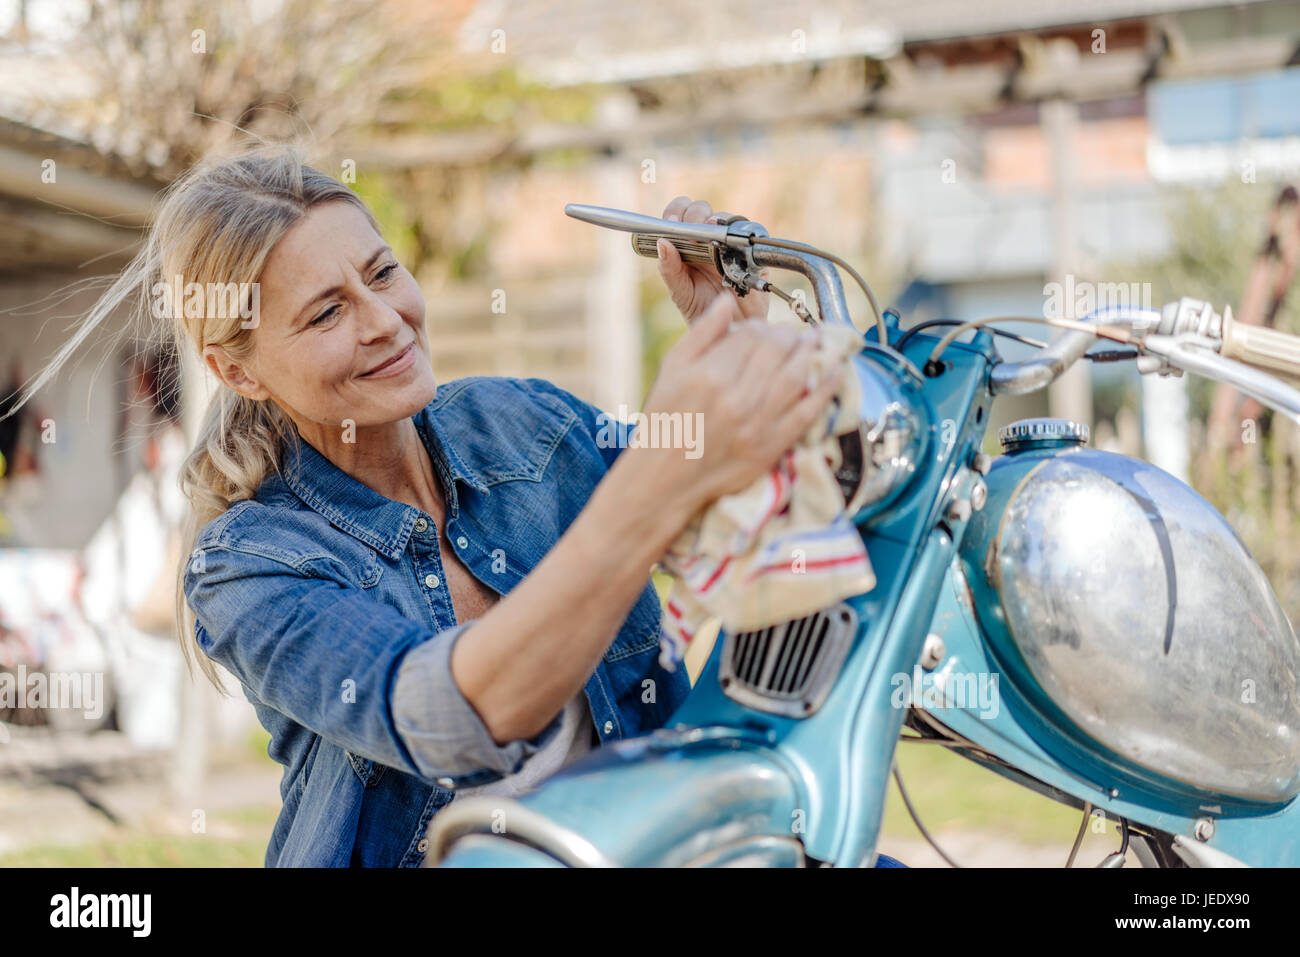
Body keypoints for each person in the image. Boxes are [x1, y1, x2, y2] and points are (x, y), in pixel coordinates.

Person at [12, 145, 848, 867]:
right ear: (240, 371)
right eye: (327, 312)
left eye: (381, 273)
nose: (387, 321)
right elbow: (459, 716)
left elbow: (729, 521)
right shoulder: (248, 563)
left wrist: (726, 336)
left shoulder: (526, 421)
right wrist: (656, 478)